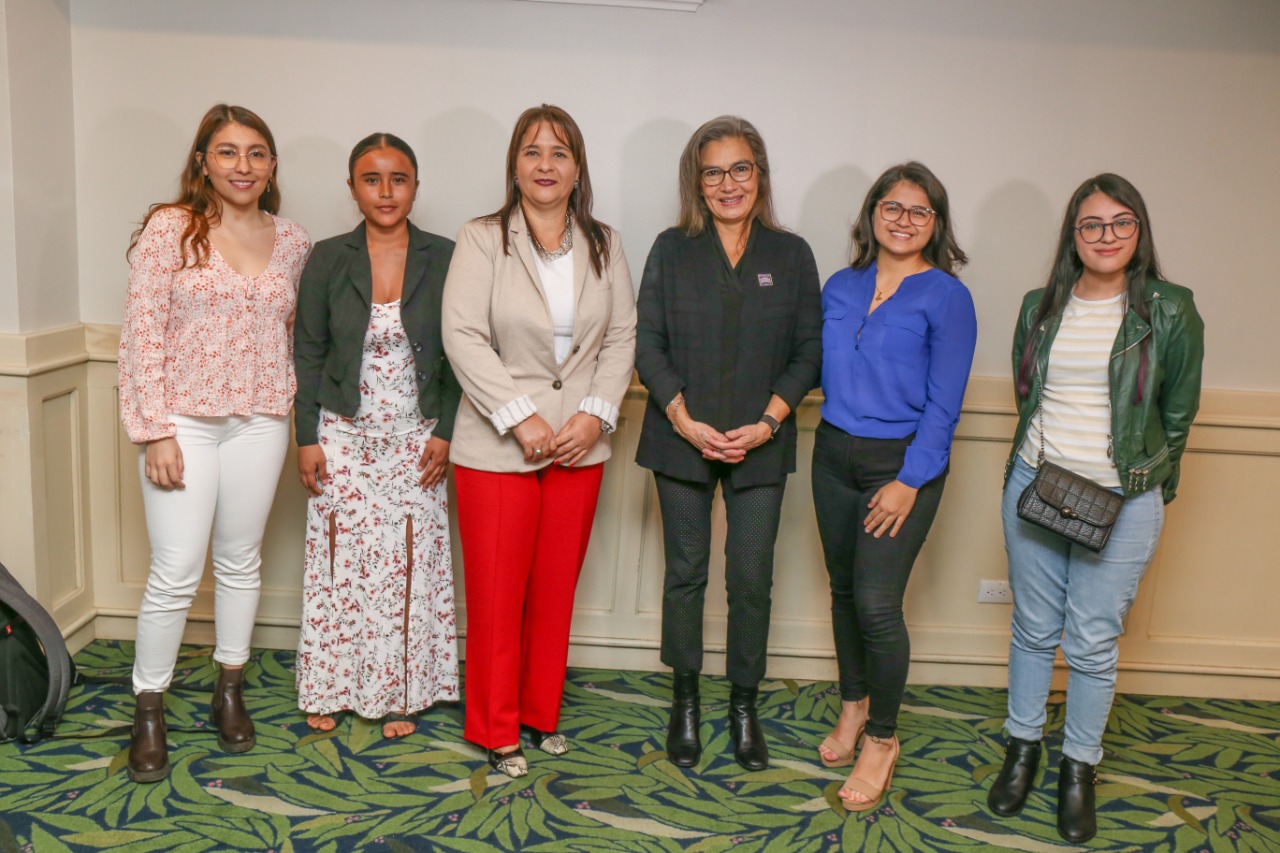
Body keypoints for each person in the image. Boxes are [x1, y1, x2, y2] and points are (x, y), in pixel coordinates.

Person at [988, 174, 1203, 842]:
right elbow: (1030, 397)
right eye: (1091, 224)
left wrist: (1146, 489)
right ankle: (1022, 747)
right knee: (1032, 628)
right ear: (1072, 235)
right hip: (1038, 484)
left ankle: (1078, 766)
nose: (1106, 236)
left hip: (1126, 496)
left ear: (1138, 232)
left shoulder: (1170, 310)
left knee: (1091, 641)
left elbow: (1178, 412)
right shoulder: (1039, 306)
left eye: (1121, 222)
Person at [117, 104, 311, 783]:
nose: (243, 166)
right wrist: (156, 431)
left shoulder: (292, 240)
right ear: (203, 160)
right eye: (228, 152)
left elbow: (296, 335)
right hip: (185, 423)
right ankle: (150, 707)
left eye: (257, 153)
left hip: (261, 418)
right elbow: (141, 333)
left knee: (240, 559)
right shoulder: (172, 229)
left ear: (272, 165)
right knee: (175, 568)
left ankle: (229, 686)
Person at [442, 105, 636, 779]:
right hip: (499, 445)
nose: (546, 164)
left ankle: (538, 712)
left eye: (559, 152)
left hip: (579, 446)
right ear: (514, 165)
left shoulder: (606, 242)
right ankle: (495, 727)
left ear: (577, 167)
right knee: (498, 593)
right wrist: (520, 415)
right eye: (532, 151)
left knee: (555, 591)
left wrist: (595, 415)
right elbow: (462, 335)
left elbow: (619, 339)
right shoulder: (481, 238)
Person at [634, 116, 822, 772]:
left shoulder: (791, 254)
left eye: (740, 168)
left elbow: (808, 352)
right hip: (680, 435)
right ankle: (684, 700)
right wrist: (683, 418)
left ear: (760, 174)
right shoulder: (670, 247)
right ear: (697, 181)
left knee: (750, 578)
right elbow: (647, 343)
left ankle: (744, 705)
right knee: (686, 574)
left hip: (761, 440)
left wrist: (768, 422)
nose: (728, 183)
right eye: (713, 171)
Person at [812, 162, 976, 811]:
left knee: (878, 604)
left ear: (935, 224)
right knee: (845, 590)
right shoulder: (839, 285)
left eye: (920, 210)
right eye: (893, 206)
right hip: (831, 454)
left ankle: (882, 737)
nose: (904, 219)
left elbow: (946, 404)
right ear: (872, 213)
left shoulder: (947, 296)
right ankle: (853, 707)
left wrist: (910, 480)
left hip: (901, 464)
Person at [293, 133, 461, 740]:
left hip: (419, 437)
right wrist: (306, 437)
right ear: (352, 187)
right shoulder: (326, 258)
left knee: (409, 564)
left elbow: (464, 352)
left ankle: (402, 691)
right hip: (342, 435)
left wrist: (446, 430)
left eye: (398, 178)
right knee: (342, 563)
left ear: (416, 185)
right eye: (371, 178)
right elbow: (307, 351)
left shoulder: (446, 255)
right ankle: (332, 686)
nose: (385, 191)